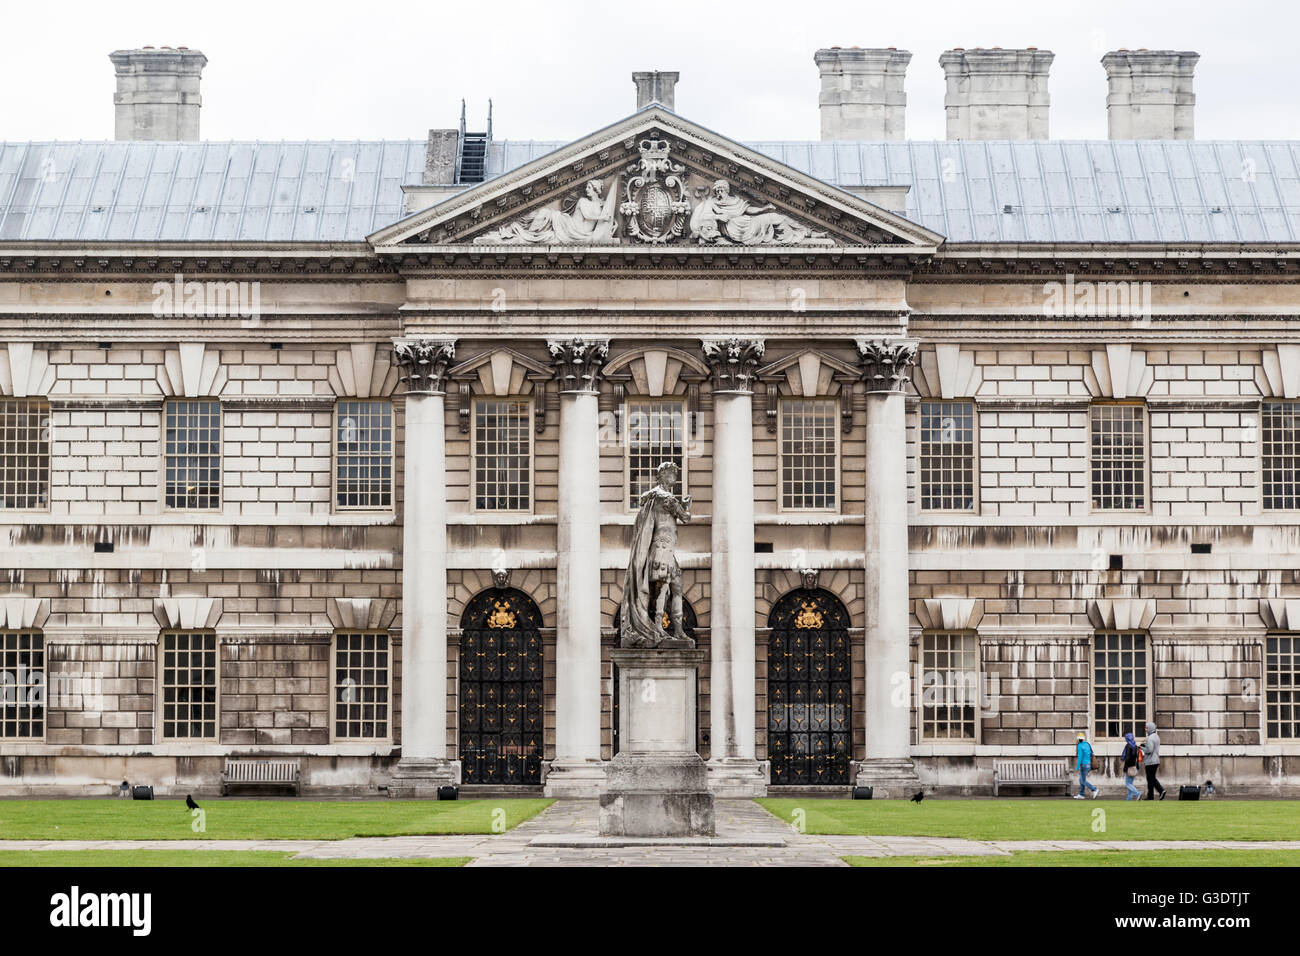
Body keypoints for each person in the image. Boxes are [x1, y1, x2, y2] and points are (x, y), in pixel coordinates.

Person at [1142, 720, 1166, 800]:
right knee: (1151, 778)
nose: (1145, 729)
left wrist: (1141, 748)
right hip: (1155, 760)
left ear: (1150, 728)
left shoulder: (1149, 738)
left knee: (1150, 779)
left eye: (1146, 728)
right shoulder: (1156, 736)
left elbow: (1149, 750)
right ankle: (1154, 794)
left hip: (1150, 761)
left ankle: (1157, 793)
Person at [1073, 731, 1099, 799]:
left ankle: (1094, 789)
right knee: (1082, 779)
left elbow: (1080, 757)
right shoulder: (1087, 744)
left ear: (1078, 739)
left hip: (1084, 765)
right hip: (1089, 764)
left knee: (1082, 780)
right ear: (1083, 738)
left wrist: (1077, 766)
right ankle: (1081, 794)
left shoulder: (1079, 745)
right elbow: (1091, 753)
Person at [1120, 732, 1142, 800]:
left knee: (1128, 784)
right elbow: (1136, 757)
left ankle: (1137, 793)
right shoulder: (1135, 746)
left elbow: (1127, 758)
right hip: (1134, 766)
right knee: (1130, 783)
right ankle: (1129, 798)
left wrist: (1125, 767)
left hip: (1129, 767)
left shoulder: (1128, 746)